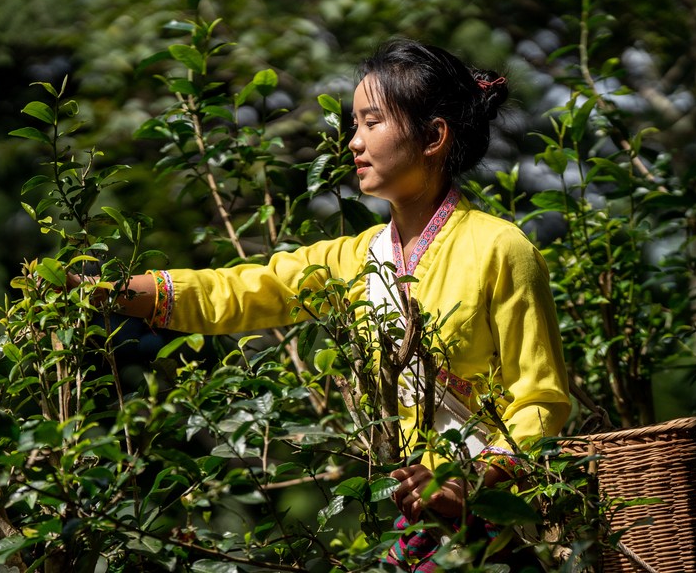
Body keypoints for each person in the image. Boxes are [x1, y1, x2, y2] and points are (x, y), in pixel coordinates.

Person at [75, 38, 570, 571]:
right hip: (409, 520)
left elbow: (540, 399)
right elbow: (243, 290)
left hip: (490, 526)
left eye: (372, 123)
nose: (354, 142)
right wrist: (102, 290)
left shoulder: (501, 248)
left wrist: (468, 482)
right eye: (355, 124)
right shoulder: (355, 259)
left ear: (432, 136)